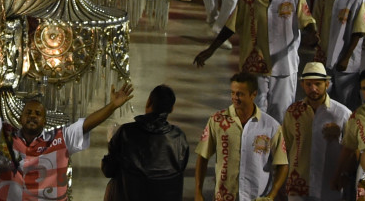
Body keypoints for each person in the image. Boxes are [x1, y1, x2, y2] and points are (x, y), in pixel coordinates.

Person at [0, 70, 133, 201]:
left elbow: (88, 123)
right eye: (29, 113)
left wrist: (112, 106)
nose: (33, 116)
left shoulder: (61, 139)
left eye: (38, 114)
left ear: (44, 121)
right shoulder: (5, 135)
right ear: (20, 118)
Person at [194, 0, 318, 124]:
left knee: (281, 115)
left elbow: (307, 20)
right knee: (255, 114)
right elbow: (232, 25)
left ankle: (277, 149)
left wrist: (312, 33)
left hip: (284, 66)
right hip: (255, 65)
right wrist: (211, 49)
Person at [194, 72, 288, 201]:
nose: (235, 97)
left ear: (253, 94)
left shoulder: (271, 126)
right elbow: (202, 156)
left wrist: (271, 195)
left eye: (240, 94)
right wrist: (198, 192)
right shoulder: (217, 121)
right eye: (233, 93)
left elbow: (282, 163)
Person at [102, 83, 190, 201]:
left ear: (148, 102)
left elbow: (108, 170)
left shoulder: (126, 133)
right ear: (171, 109)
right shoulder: (179, 137)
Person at [281, 61, 351, 201]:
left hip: (329, 183)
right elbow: (284, 148)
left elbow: (352, 149)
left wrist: (344, 176)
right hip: (298, 183)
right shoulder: (293, 112)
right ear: (302, 85)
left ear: (327, 84)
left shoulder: (342, 114)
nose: (313, 88)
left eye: (318, 84)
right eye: (309, 84)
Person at [317, 0, 365, 108]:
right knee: (326, 103)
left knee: (346, 104)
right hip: (325, 60)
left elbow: (359, 31)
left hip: (345, 63)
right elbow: (317, 21)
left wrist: (346, 58)